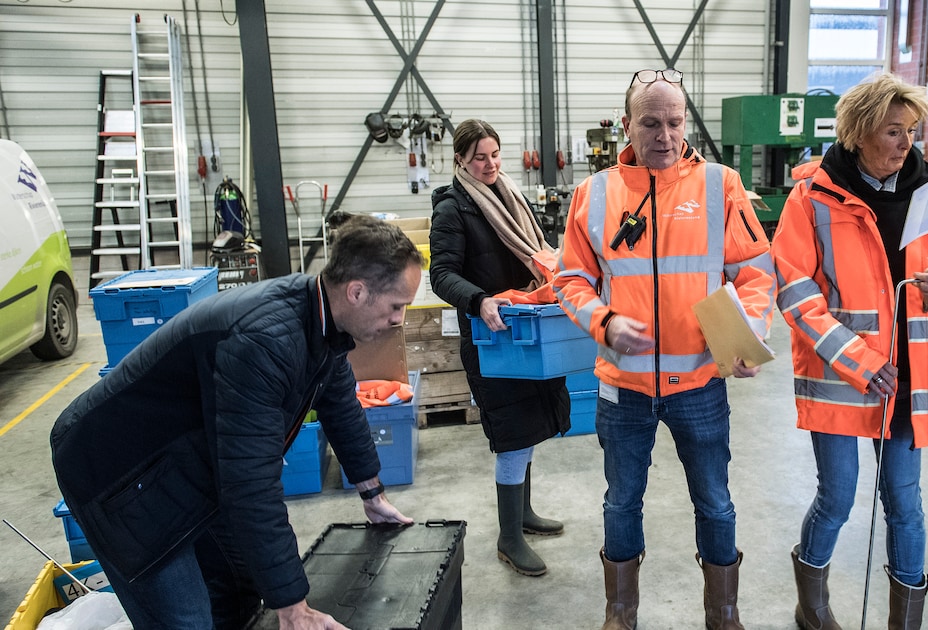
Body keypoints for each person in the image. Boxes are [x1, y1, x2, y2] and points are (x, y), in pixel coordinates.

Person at [50, 215, 423, 630]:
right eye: (396, 306)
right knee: (185, 619)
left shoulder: (320, 320)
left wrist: (371, 492)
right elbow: (250, 482)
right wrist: (293, 606)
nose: (399, 319)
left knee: (239, 590)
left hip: (186, 461)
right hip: (117, 474)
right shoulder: (264, 341)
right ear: (357, 292)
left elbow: (339, 402)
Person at [553, 68, 775, 630]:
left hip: (700, 383)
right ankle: (620, 613)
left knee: (715, 502)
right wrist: (604, 323)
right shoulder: (594, 193)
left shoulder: (720, 185)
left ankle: (723, 614)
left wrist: (746, 333)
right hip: (622, 386)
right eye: (650, 122)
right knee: (621, 503)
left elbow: (754, 273)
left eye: (675, 122)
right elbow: (569, 280)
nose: (665, 135)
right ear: (627, 124)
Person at [771, 72, 928, 630]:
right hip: (845, 379)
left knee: (906, 506)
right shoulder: (812, 196)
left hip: (912, 381)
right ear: (859, 131)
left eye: (912, 131)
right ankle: (812, 608)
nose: (905, 144)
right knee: (837, 500)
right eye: (893, 131)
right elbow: (795, 293)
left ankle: (904, 621)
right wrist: (862, 363)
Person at [429, 118, 570, 578]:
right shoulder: (453, 209)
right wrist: (479, 299)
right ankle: (509, 538)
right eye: (479, 158)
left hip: (526, 325)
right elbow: (442, 275)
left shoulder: (510, 195)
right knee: (512, 435)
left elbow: (534, 251)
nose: (489, 165)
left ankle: (523, 515)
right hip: (492, 336)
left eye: (494, 154)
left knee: (530, 427)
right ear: (460, 160)